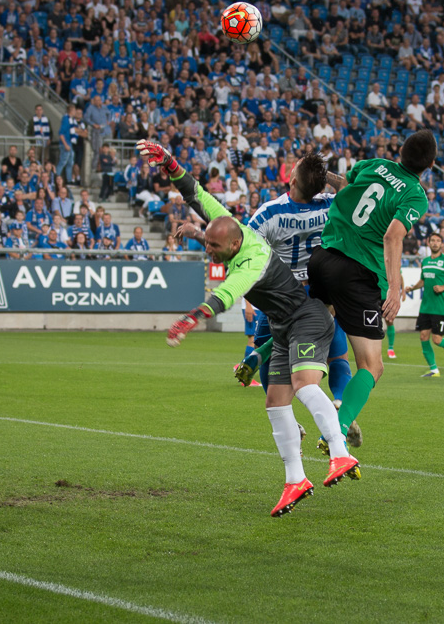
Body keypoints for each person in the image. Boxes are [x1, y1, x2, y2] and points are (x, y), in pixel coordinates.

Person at [137, 139, 359, 517]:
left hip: (308, 316)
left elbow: (227, 293)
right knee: (275, 402)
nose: (209, 250)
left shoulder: (251, 260)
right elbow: (198, 195)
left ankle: (340, 454)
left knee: (306, 385)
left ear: (235, 244)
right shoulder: (233, 226)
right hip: (284, 326)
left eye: (213, 247)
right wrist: (169, 163)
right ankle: (295, 480)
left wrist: (191, 319)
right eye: (207, 243)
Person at [305, 130, 432, 448]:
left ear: (400, 150)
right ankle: (336, 430)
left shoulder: (374, 164)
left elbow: (346, 185)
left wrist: (325, 174)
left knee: (312, 320)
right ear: (430, 164)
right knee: (373, 365)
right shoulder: (415, 194)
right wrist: (393, 287)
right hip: (356, 274)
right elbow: (392, 236)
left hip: (322, 257)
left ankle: (258, 355)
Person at [233, 154, 355, 443]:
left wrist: (249, 298)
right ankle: (338, 402)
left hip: (280, 296)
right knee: (337, 355)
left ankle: (287, 417)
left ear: (291, 178)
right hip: (320, 295)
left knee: (270, 358)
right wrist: (325, 178)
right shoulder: (329, 205)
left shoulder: (270, 212)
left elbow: (245, 253)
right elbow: (350, 188)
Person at [404, 232, 444, 377]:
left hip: (441, 307)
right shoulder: (425, 262)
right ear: (428, 242)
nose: (435, 243)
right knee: (423, 336)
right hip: (426, 306)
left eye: (438, 241)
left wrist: (442, 288)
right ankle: (434, 370)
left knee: (437, 339)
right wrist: (413, 288)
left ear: (442, 244)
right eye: (432, 240)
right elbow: (423, 280)